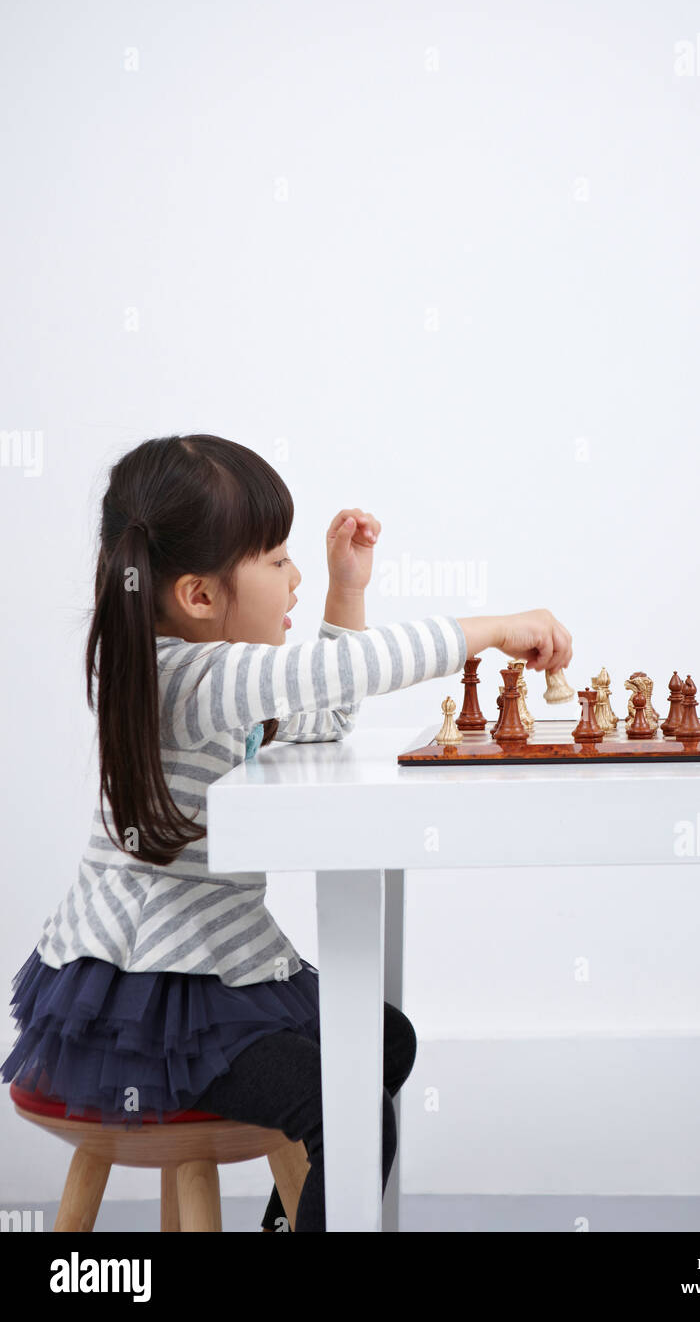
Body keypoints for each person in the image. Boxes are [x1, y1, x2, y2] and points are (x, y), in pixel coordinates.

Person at [1, 433, 572, 1231]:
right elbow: (338, 677)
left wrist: (345, 593)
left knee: (383, 1041)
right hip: (157, 1005)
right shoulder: (193, 678)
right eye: (274, 559)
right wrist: (498, 627)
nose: (293, 574)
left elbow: (322, 714)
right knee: (353, 1110)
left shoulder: (205, 672)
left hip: (204, 975)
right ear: (199, 595)